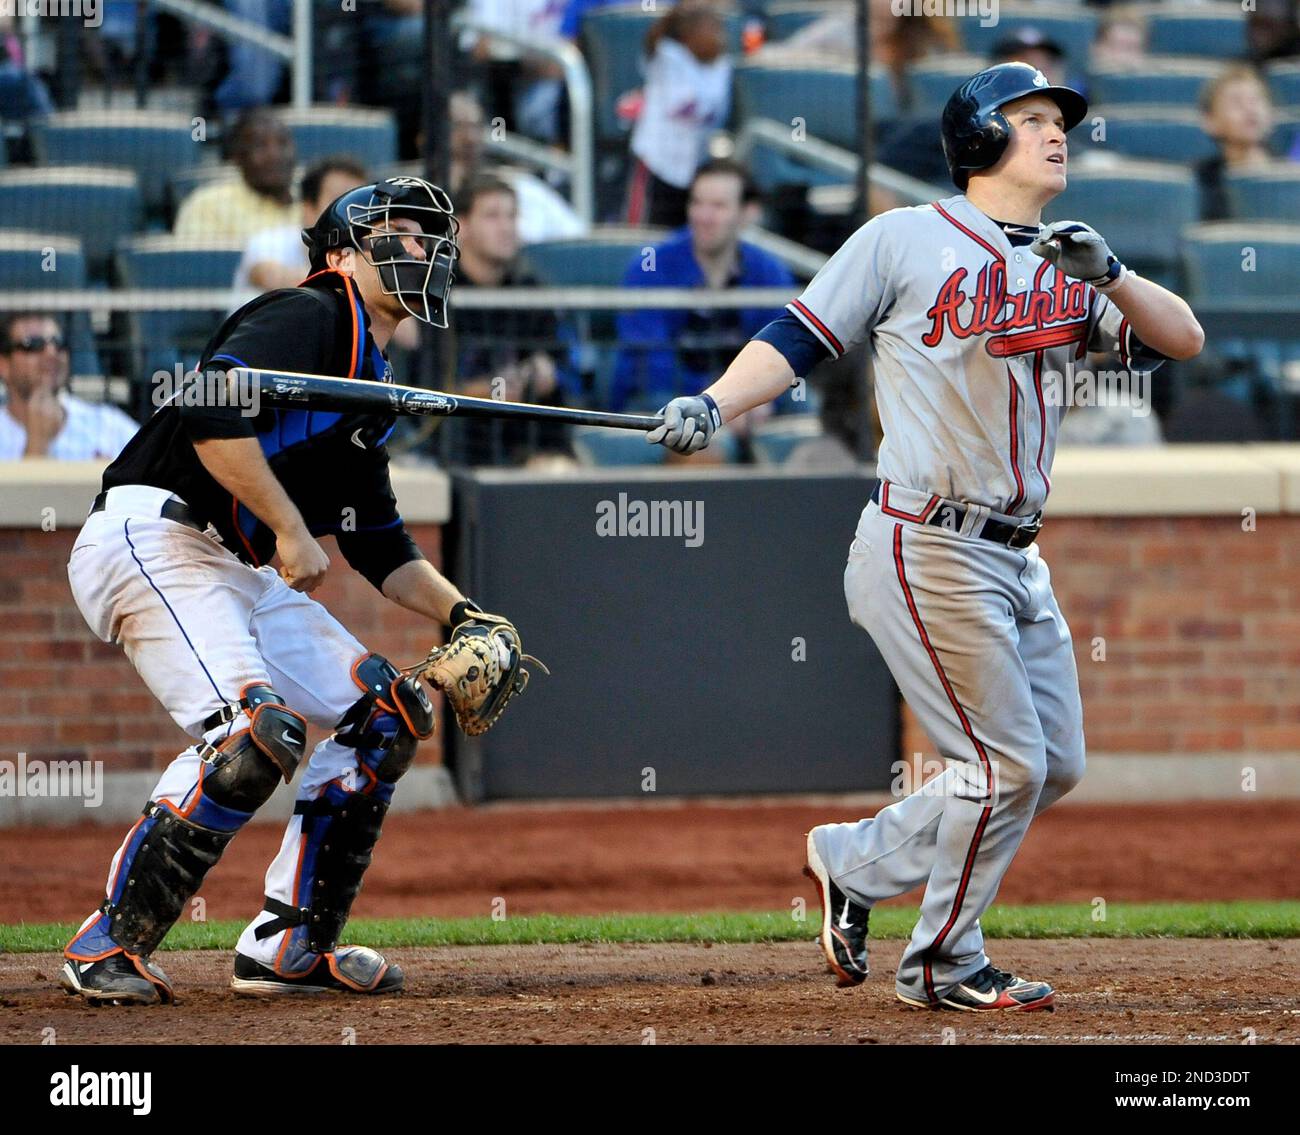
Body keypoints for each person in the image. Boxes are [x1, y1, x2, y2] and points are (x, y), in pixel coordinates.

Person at [648, 63, 1203, 1010]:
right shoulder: (904, 236)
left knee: (1051, 764)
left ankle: (855, 861)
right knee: (1006, 767)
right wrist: (712, 402)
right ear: (980, 139)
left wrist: (1109, 272)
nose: (1055, 133)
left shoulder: (1069, 261)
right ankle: (944, 960)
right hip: (927, 537)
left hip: (1020, 553)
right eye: (1030, 120)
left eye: (1057, 120)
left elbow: (1181, 340)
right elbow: (798, 334)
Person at [60, 177, 536, 1004]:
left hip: (234, 565)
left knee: (387, 714)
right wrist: (286, 526)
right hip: (154, 535)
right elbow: (209, 405)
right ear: (343, 253)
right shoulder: (311, 311)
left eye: (430, 238)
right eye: (401, 234)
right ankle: (107, 944)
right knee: (255, 736)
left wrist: (461, 612)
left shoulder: (370, 385)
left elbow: (380, 546)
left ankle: (288, 943)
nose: (422, 249)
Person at [611, 159, 795, 423]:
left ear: (749, 213)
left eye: (718, 206)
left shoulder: (769, 271)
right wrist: (720, 404)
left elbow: (784, 351)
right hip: (666, 400)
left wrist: (748, 401)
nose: (703, 216)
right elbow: (650, 365)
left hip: (747, 403)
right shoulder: (650, 267)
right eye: (697, 203)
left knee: (803, 404)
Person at [449, 173, 577, 466]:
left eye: (512, 216)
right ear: (461, 226)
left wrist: (544, 372)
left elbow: (563, 370)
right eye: (492, 216)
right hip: (456, 444)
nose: (507, 228)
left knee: (559, 472)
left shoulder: (531, 289)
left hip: (529, 441)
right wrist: (483, 392)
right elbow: (421, 389)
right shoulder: (435, 293)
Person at [626, 3, 733, 228]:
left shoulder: (721, 63)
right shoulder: (667, 55)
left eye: (719, 29)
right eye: (711, 30)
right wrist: (707, 108)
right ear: (688, 35)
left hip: (693, 165)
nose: (719, 37)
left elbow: (719, 110)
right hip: (655, 162)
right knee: (645, 233)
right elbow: (684, 105)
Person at [448, 90, 584, 243]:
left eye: (476, 127)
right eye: (457, 126)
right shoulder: (419, 192)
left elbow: (578, 241)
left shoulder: (524, 189)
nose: (469, 138)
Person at [0, 312, 138, 461]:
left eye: (59, 343)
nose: (51, 353)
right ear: (4, 365)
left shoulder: (107, 425)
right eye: (33, 345)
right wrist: (37, 445)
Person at [234, 157, 369, 293]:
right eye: (340, 203)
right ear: (308, 208)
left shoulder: (367, 250)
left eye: (360, 205)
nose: (352, 214)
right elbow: (267, 275)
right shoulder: (269, 241)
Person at [174, 108, 297, 243]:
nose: (275, 155)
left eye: (283, 144)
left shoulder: (311, 203)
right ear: (237, 157)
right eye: (260, 146)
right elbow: (201, 262)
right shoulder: (207, 206)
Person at [1195, 65, 1285, 220]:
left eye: (1256, 100)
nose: (1250, 110)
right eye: (1236, 103)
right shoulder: (1198, 183)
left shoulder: (1290, 176)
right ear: (1210, 121)